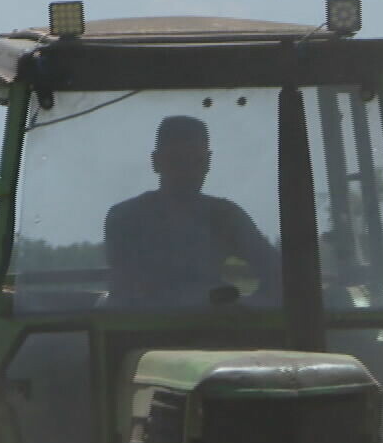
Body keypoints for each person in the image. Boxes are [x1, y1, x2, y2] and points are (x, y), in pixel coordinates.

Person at [104, 115, 281, 309]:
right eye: (177, 161)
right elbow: (124, 291)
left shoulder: (226, 217)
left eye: (197, 161)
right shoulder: (125, 219)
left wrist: (245, 308)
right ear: (156, 162)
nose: (188, 172)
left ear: (208, 163)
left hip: (215, 330)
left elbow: (278, 272)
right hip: (145, 331)